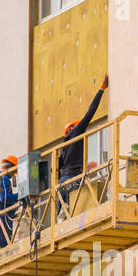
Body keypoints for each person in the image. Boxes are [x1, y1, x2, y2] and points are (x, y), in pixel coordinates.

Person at [57, 74, 109, 215]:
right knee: (75, 214)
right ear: (73, 128)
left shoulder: (63, 147)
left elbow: (57, 168)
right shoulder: (76, 133)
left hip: (61, 183)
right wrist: (101, 88)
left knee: (61, 220)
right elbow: (90, 111)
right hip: (73, 179)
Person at [0, 155, 18, 247]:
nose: (13, 175)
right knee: (5, 245)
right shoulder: (4, 179)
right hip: (2, 218)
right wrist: (20, 195)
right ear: (10, 168)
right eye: (14, 171)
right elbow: (4, 198)